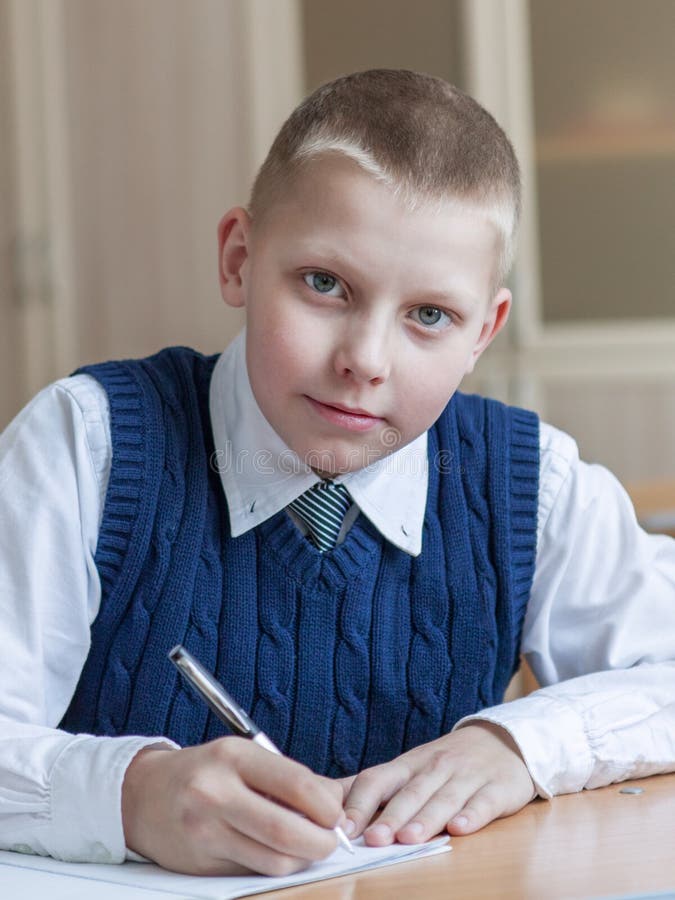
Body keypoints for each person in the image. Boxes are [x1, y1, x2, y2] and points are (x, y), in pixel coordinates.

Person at [1, 69, 674, 878]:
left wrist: (517, 745)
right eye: (325, 285)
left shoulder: (533, 483)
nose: (364, 361)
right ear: (240, 260)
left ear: (482, 333)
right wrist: (131, 797)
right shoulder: (89, 442)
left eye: (430, 316)